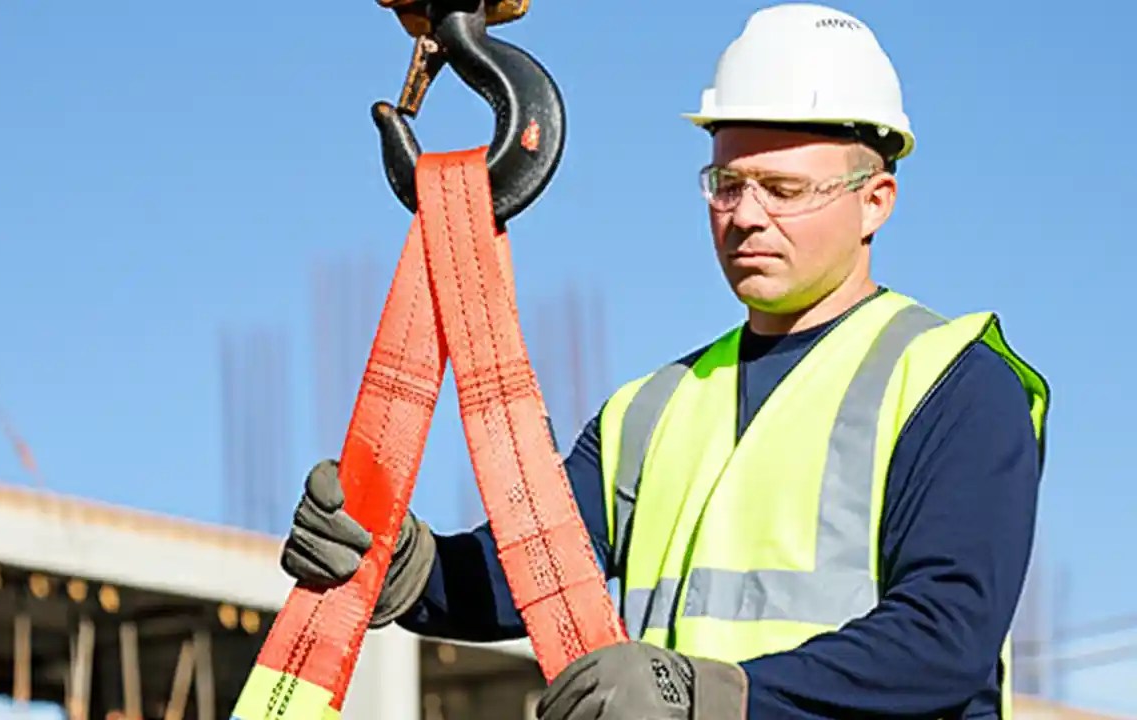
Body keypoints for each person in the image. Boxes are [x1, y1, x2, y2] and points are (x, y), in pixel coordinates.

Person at [279, 3, 1050, 718]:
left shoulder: (952, 381)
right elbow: (530, 572)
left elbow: (946, 638)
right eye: (727, 184)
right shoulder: (649, 410)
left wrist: (703, 697)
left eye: (782, 189)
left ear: (876, 199)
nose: (747, 216)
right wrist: (403, 564)